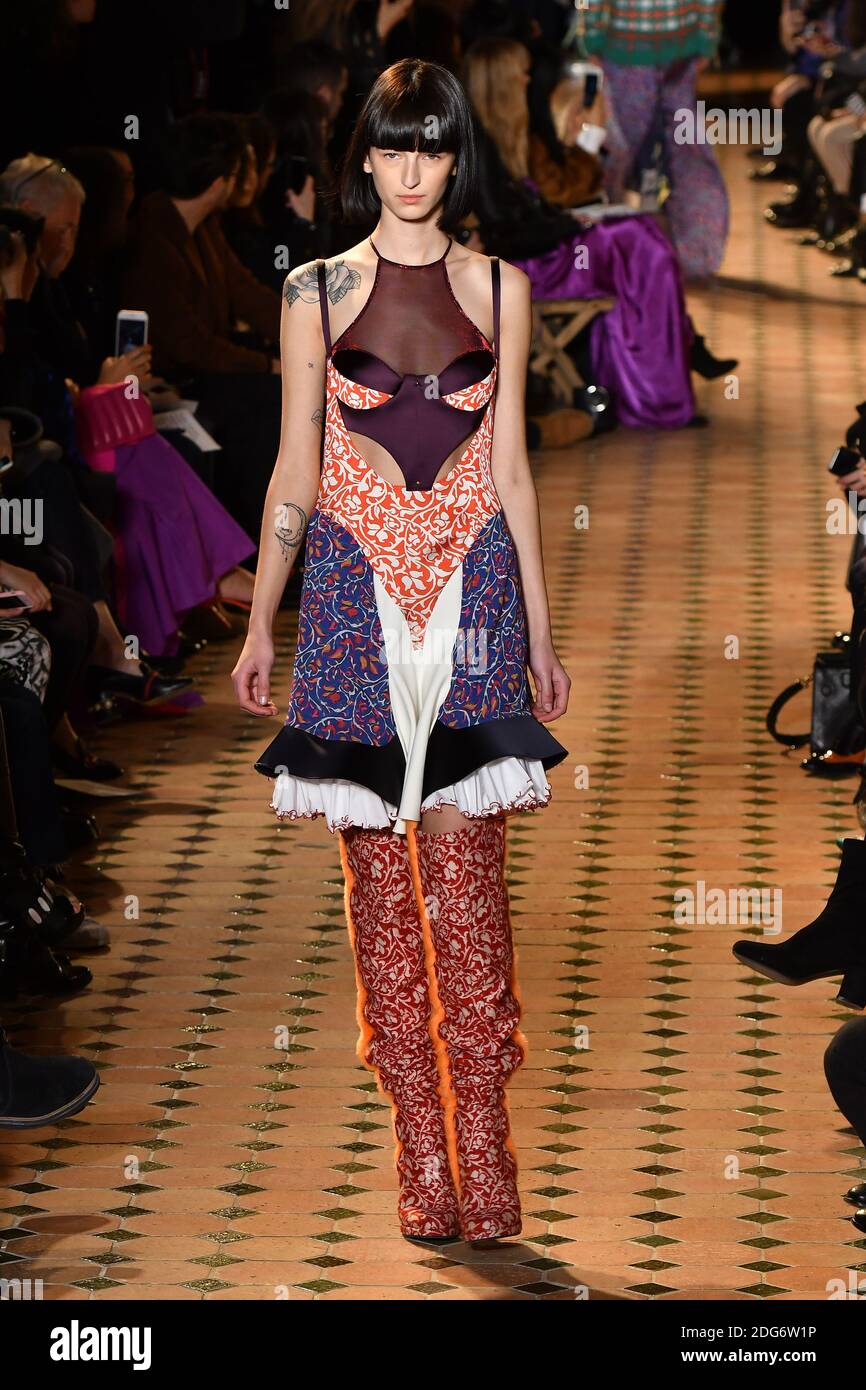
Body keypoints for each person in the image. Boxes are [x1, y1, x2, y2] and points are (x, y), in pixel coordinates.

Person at [232, 58, 570, 1244]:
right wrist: (262, 612)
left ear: (452, 156)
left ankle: (486, 1156)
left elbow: (515, 467)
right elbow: (292, 465)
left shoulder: (500, 286)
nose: (412, 167)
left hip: (472, 589)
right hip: (345, 591)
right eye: (393, 145)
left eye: (432, 145)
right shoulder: (312, 292)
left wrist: (537, 630)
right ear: (363, 158)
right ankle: (419, 1160)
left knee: (467, 883)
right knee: (379, 895)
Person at [579, 0, 729, 282]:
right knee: (679, 151)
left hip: (638, 49)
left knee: (620, 154)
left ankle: (602, 253)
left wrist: (589, 35)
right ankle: (694, 253)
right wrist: (707, 38)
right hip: (666, 48)